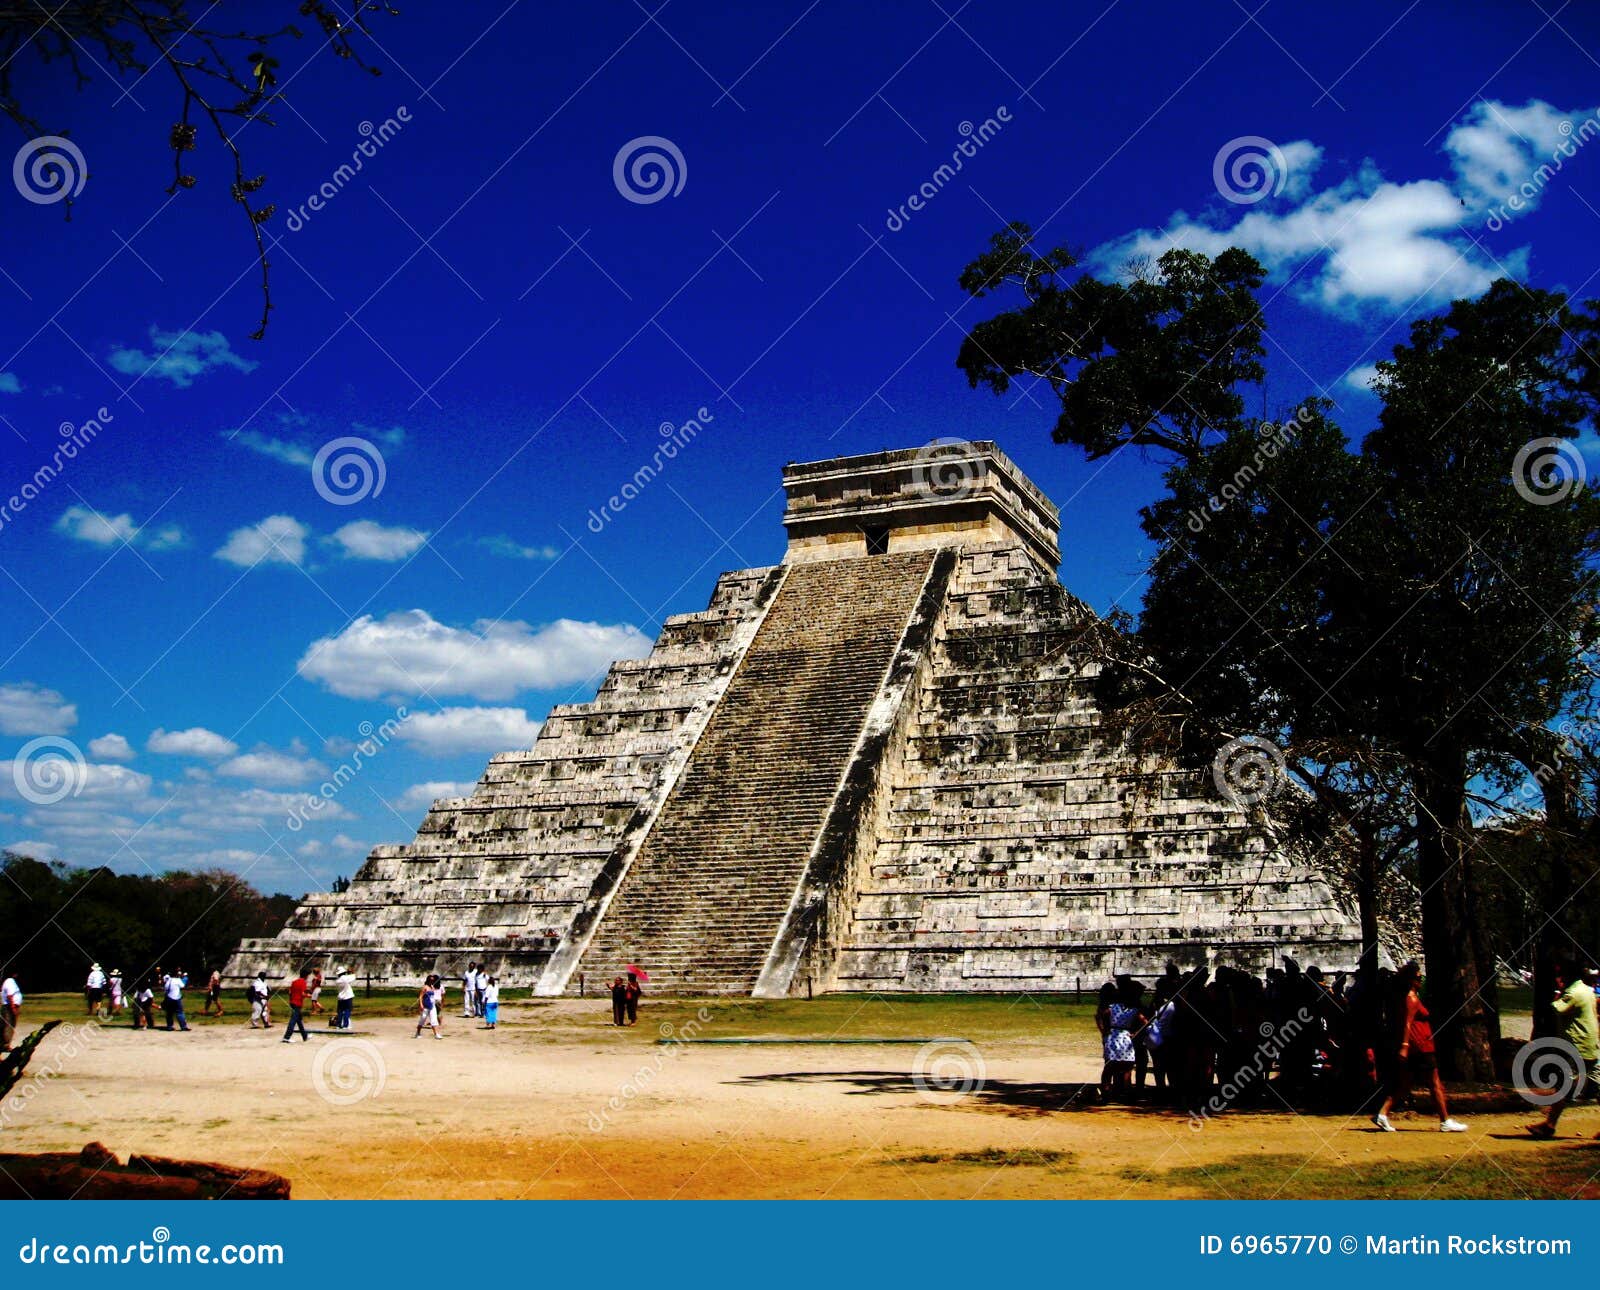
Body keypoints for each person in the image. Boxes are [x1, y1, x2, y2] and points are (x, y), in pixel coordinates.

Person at [1373, 961, 1465, 1132]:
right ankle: (1445, 1120)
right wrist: (1405, 1045)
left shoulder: (1408, 997)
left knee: (1405, 1084)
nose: (1420, 979)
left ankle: (1383, 1114)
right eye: (1417, 977)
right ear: (1410, 979)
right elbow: (1407, 1024)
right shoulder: (1411, 998)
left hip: (1418, 1046)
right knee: (1435, 1083)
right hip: (1420, 1047)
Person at [1528, 963, 1598, 1139]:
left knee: (1564, 1088)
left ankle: (1549, 1125)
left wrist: (1556, 994)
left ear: (1568, 977)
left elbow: (1555, 1010)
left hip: (1577, 1047)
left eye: (1560, 975)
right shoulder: (1587, 989)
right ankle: (1549, 1125)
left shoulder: (1572, 993)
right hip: (1593, 1046)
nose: (1557, 979)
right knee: (1597, 1085)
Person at [282, 968, 311, 1042]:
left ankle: (305, 1036)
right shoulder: (303, 982)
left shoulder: (294, 982)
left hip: (292, 1002)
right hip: (297, 1003)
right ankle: (287, 1037)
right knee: (293, 1020)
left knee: (299, 1020)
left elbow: (290, 992)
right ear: (306, 975)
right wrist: (309, 996)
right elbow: (302, 994)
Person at [415, 974, 443, 1039]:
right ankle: (418, 1032)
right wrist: (421, 1004)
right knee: (422, 1020)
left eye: (433, 980)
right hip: (425, 1006)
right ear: (428, 980)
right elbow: (421, 996)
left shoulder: (432, 987)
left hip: (432, 1006)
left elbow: (433, 996)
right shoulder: (425, 987)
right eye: (430, 980)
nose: (432, 981)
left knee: (434, 1020)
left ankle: (436, 1034)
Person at [0, 970, 21, 1051]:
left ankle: (5, 1046)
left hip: (7, 1006)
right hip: (9, 1007)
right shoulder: (10, 981)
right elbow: (10, 995)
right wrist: (13, 1008)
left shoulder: (7, 981)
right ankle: (4, 1045)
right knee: (8, 1027)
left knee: (6, 1027)